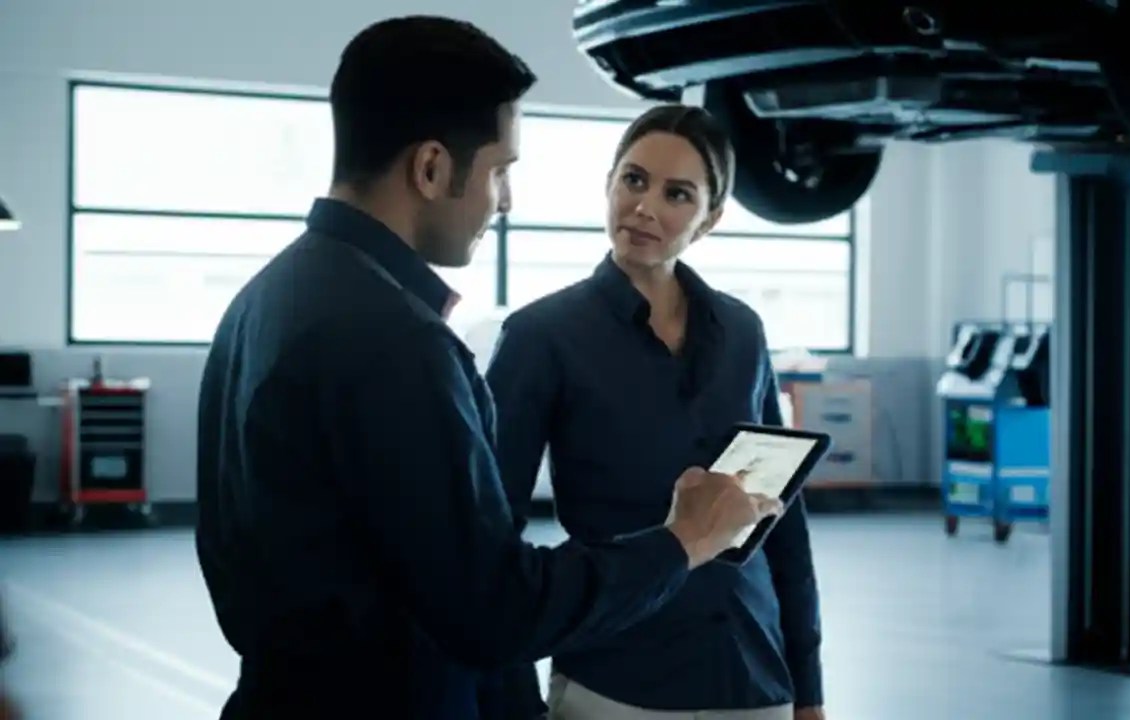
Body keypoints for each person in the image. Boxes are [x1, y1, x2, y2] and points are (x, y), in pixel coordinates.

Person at [194, 17, 782, 720]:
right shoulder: (395, 342)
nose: (505, 201)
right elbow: (494, 607)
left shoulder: (264, 299)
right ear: (433, 168)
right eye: (501, 170)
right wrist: (683, 541)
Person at [484, 105, 825, 719]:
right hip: (616, 683)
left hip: (751, 678)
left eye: (677, 194)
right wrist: (509, 703)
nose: (645, 207)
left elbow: (785, 524)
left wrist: (810, 687)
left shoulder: (743, 332)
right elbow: (489, 538)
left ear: (709, 219)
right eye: (634, 180)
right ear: (610, 183)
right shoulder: (542, 335)